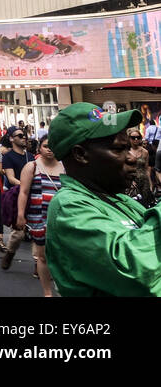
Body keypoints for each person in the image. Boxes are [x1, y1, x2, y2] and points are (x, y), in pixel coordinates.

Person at [46, 103, 161, 296]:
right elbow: (136, 268)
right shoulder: (69, 207)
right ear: (80, 154)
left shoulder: (121, 201)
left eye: (129, 148)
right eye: (119, 149)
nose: (132, 158)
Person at [16, 135, 63, 297]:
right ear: (39, 148)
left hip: (61, 218)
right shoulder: (32, 166)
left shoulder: (65, 168)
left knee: (60, 256)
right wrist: (20, 215)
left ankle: (62, 288)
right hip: (39, 217)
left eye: (53, 146)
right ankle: (47, 292)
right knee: (42, 257)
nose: (49, 149)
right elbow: (23, 192)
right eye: (45, 146)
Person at [0, 128, 36, 269]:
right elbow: (10, 178)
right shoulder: (8, 157)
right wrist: (25, 185)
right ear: (11, 139)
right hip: (16, 195)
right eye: (20, 136)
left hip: (32, 195)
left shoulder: (31, 157)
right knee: (18, 233)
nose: (24, 138)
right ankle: (10, 253)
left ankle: (38, 265)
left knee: (36, 230)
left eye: (25, 136)